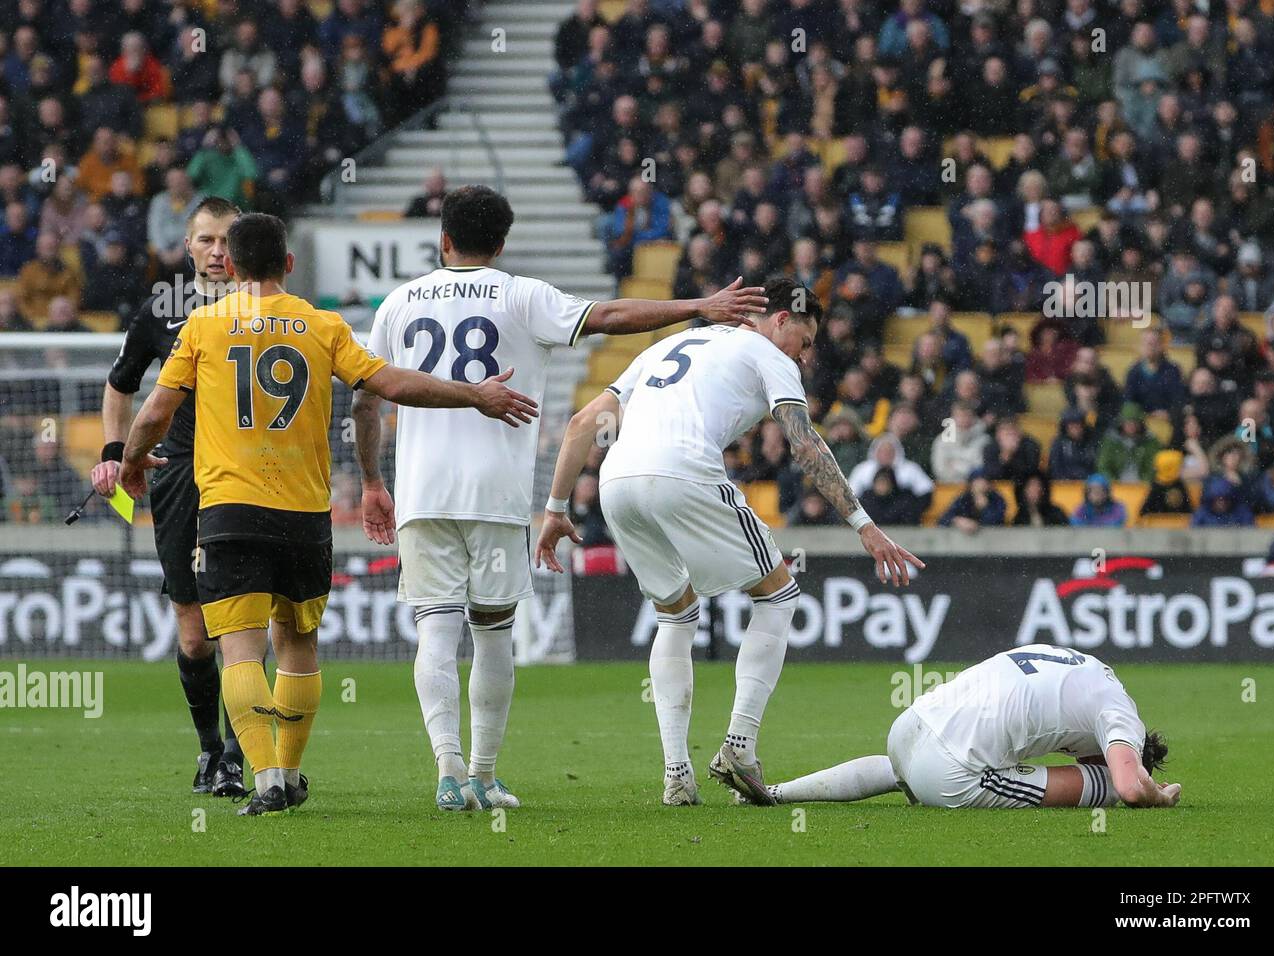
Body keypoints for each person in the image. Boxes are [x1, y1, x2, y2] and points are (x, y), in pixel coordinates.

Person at [352, 185, 771, 813]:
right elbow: (608, 317)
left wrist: (372, 481)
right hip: (494, 495)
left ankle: (448, 768)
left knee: (434, 633)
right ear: (500, 244)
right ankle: (486, 778)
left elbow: (364, 398)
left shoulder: (397, 304)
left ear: (443, 240)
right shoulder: (521, 294)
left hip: (422, 492)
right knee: (492, 637)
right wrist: (699, 305)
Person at [118, 212, 539, 817]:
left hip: (230, 509)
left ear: (231, 267)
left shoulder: (206, 326)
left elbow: (156, 410)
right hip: (304, 514)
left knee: (239, 649)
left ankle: (263, 777)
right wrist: (476, 394)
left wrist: (132, 462)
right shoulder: (323, 325)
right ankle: (288, 771)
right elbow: (391, 383)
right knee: (298, 642)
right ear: (289, 264)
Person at [535, 278, 922, 808]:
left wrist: (556, 510)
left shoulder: (667, 346)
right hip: (684, 472)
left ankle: (677, 774)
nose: (804, 358)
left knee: (675, 615)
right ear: (781, 320)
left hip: (617, 482)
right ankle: (739, 747)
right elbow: (805, 446)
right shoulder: (767, 352)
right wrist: (864, 524)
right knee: (779, 595)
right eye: (804, 342)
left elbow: (583, 422)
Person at [90, 197, 249, 796]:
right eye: (206, 240)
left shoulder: (264, 304)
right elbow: (119, 385)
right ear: (187, 247)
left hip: (247, 474)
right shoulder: (164, 309)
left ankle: (240, 754)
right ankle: (210, 752)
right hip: (181, 475)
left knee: (244, 618)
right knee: (193, 632)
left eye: (227, 240)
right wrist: (112, 453)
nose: (216, 251)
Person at [764, 646, 1180, 810]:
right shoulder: (1121, 715)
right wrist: (1156, 795)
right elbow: (1128, 786)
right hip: (946, 772)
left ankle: (775, 793)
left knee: (901, 771)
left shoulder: (1083, 663)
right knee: (1105, 789)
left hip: (909, 726)